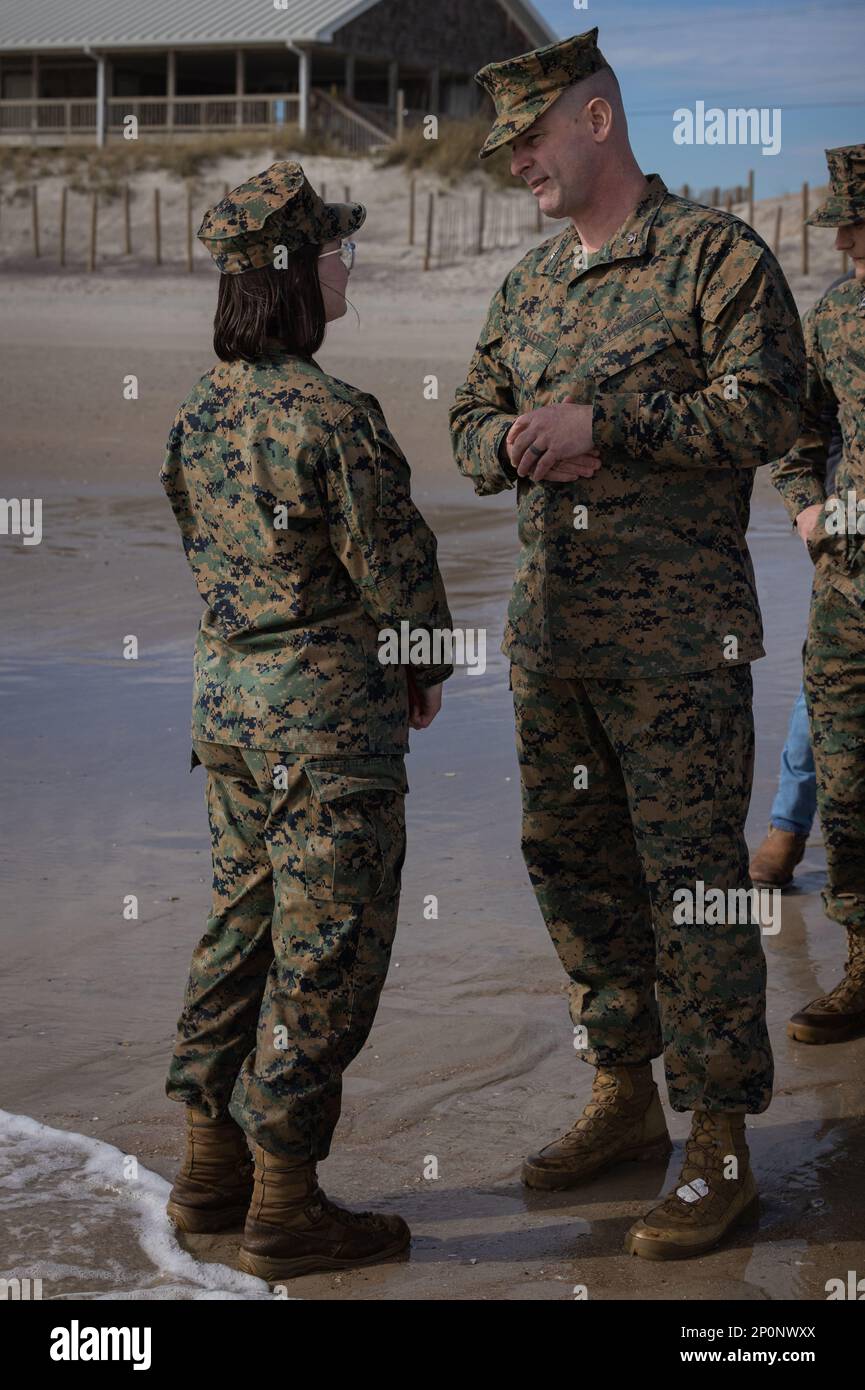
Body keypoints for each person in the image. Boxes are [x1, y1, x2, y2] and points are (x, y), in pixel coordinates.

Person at [450, 28, 805, 1260]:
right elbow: (464, 415)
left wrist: (616, 422)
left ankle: (717, 1138)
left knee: (692, 885)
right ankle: (621, 1093)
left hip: (676, 652)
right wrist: (509, 442)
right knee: (573, 863)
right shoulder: (531, 281)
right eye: (505, 149)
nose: (515, 166)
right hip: (552, 643)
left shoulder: (717, 257)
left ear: (595, 120)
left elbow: (768, 406)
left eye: (529, 140)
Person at [160, 162, 453, 1282]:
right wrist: (421, 668)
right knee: (326, 951)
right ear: (293, 274)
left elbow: (203, 547)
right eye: (334, 247)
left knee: (241, 926)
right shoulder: (334, 415)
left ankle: (207, 1168)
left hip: (228, 713)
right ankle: (284, 1200)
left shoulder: (198, 409)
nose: (347, 262)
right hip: (329, 732)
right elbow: (397, 569)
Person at [770, 146, 865, 1045]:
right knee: (847, 775)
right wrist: (805, 504)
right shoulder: (834, 318)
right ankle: (861, 966)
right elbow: (797, 429)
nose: (840, 238)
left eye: (853, 220)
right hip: (848, 590)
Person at [750, 345, 848, 891]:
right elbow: (807, 428)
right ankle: (786, 830)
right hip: (852, 542)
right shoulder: (844, 308)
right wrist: (811, 509)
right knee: (822, 688)